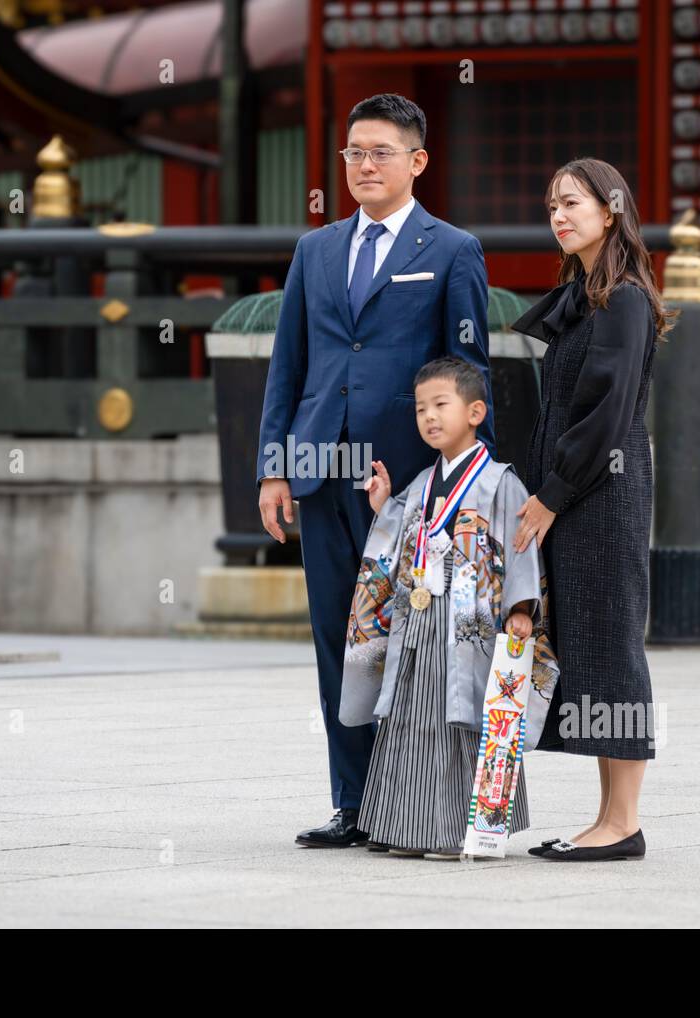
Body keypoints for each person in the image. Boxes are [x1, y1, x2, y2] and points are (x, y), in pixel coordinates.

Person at [256, 94, 496, 849]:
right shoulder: (315, 250)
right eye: (353, 152)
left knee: (414, 637)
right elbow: (289, 366)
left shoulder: (452, 250)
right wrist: (275, 468)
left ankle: (410, 801)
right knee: (339, 636)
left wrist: (459, 479)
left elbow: (469, 370)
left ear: (417, 161)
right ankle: (352, 802)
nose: (363, 165)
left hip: (413, 482)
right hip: (323, 471)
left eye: (381, 151)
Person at [509, 158, 676, 863]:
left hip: (600, 494)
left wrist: (550, 494)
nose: (559, 215)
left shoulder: (626, 299)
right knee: (589, 646)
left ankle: (625, 822)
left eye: (572, 202)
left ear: (610, 211)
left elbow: (604, 416)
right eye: (551, 205)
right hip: (575, 495)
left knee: (612, 646)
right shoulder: (587, 295)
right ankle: (609, 818)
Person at [339, 357, 557, 859]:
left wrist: (521, 607)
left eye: (441, 405)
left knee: (461, 716)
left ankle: (458, 831)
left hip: (469, 624)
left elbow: (519, 545)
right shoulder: (421, 482)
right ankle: (406, 826)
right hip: (418, 620)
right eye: (421, 409)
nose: (429, 418)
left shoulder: (500, 483)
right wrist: (386, 508)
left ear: (476, 411)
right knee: (411, 715)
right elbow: (408, 539)